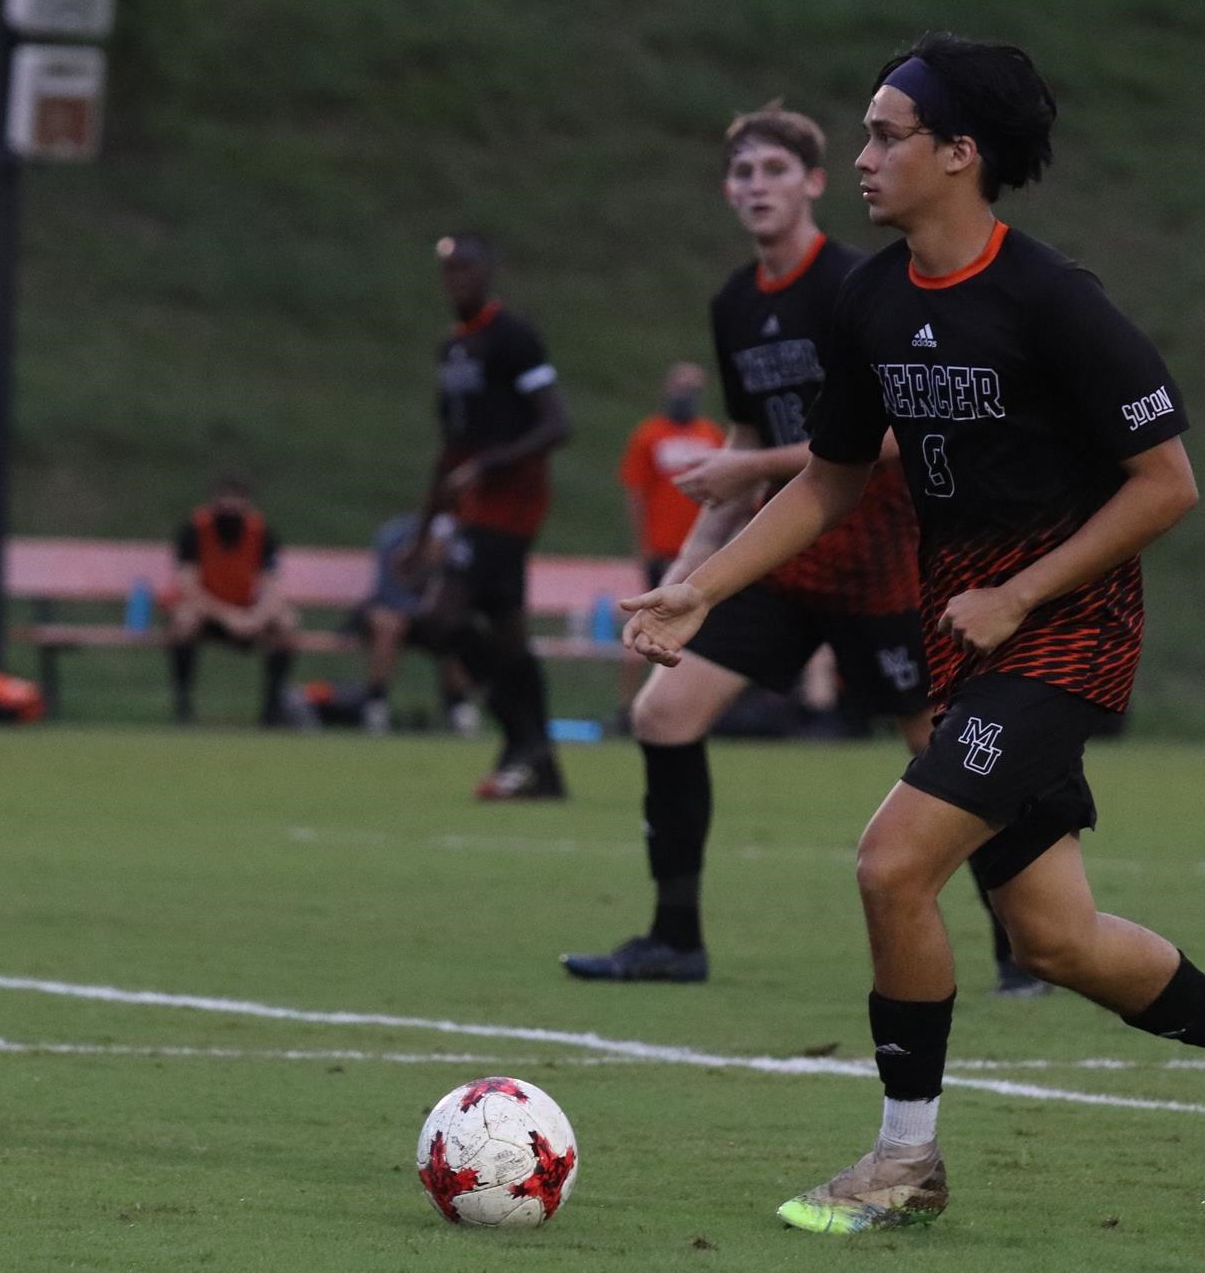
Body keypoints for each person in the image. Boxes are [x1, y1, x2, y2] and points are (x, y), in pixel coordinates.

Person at [618, 35, 1205, 1232]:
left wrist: (1019, 594)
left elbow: (1165, 484)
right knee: (1054, 938)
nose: (862, 158)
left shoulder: (1053, 300)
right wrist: (700, 588)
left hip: (1067, 634)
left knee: (890, 863)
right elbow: (828, 479)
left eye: (884, 135)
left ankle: (903, 1162)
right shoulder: (868, 297)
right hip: (966, 642)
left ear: (960, 154)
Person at [562, 102, 1043, 998]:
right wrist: (684, 580)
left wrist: (753, 466)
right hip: (784, 560)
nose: (757, 187)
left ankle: (1024, 949)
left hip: (883, 563)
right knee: (662, 715)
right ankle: (673, 939)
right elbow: (745, 443)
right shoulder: (735, 304)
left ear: (814, 182)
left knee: (944, 751)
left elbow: (894, 433)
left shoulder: (856, 285)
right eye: (742, 172)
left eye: (775, 170)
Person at [415, 233, 572, 799]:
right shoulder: (453, 349)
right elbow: (450, 451)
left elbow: (556, 424)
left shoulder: (512, 336)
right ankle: (542, 768)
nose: (456, 279)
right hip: (475, 509)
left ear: (488, 272)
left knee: (440, 620)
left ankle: (525, 740)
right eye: (448, 270)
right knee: (507, 636)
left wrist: (489, 464)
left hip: (513, 504)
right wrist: (420, 532)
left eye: (466, 268)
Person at [615, 361, 726, 709]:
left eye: (693, 389)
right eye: (681, 387)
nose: (686, 395)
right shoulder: (649, 435)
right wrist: (642, 546)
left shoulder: (711, 435)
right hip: (662, 549)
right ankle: (629, 704)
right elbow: (635, 492)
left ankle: (685, 703)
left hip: (702, 552)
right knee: (648, 624)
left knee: (699, 629)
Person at [167, 476, 303, 728]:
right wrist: (228, 615)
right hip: (208, 612)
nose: (230, 505)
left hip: (247, 611)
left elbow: (273, 587)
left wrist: (256, 617)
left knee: (287, 622)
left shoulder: (261, 533)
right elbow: (188, 587)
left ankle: (272, 709)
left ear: (247, 503)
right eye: (224, 498)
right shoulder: (194, 531)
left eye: (237, 499)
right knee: (183, 621)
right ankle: (183, 706)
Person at [350, 513, 478, 737]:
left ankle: (457, 705)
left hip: (429, 619)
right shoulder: (397, 539)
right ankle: (376, 703)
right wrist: (414, 610)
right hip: (392, 613)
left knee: (456, 629)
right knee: (390, 625)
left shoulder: (458, 547)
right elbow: (387, 592)